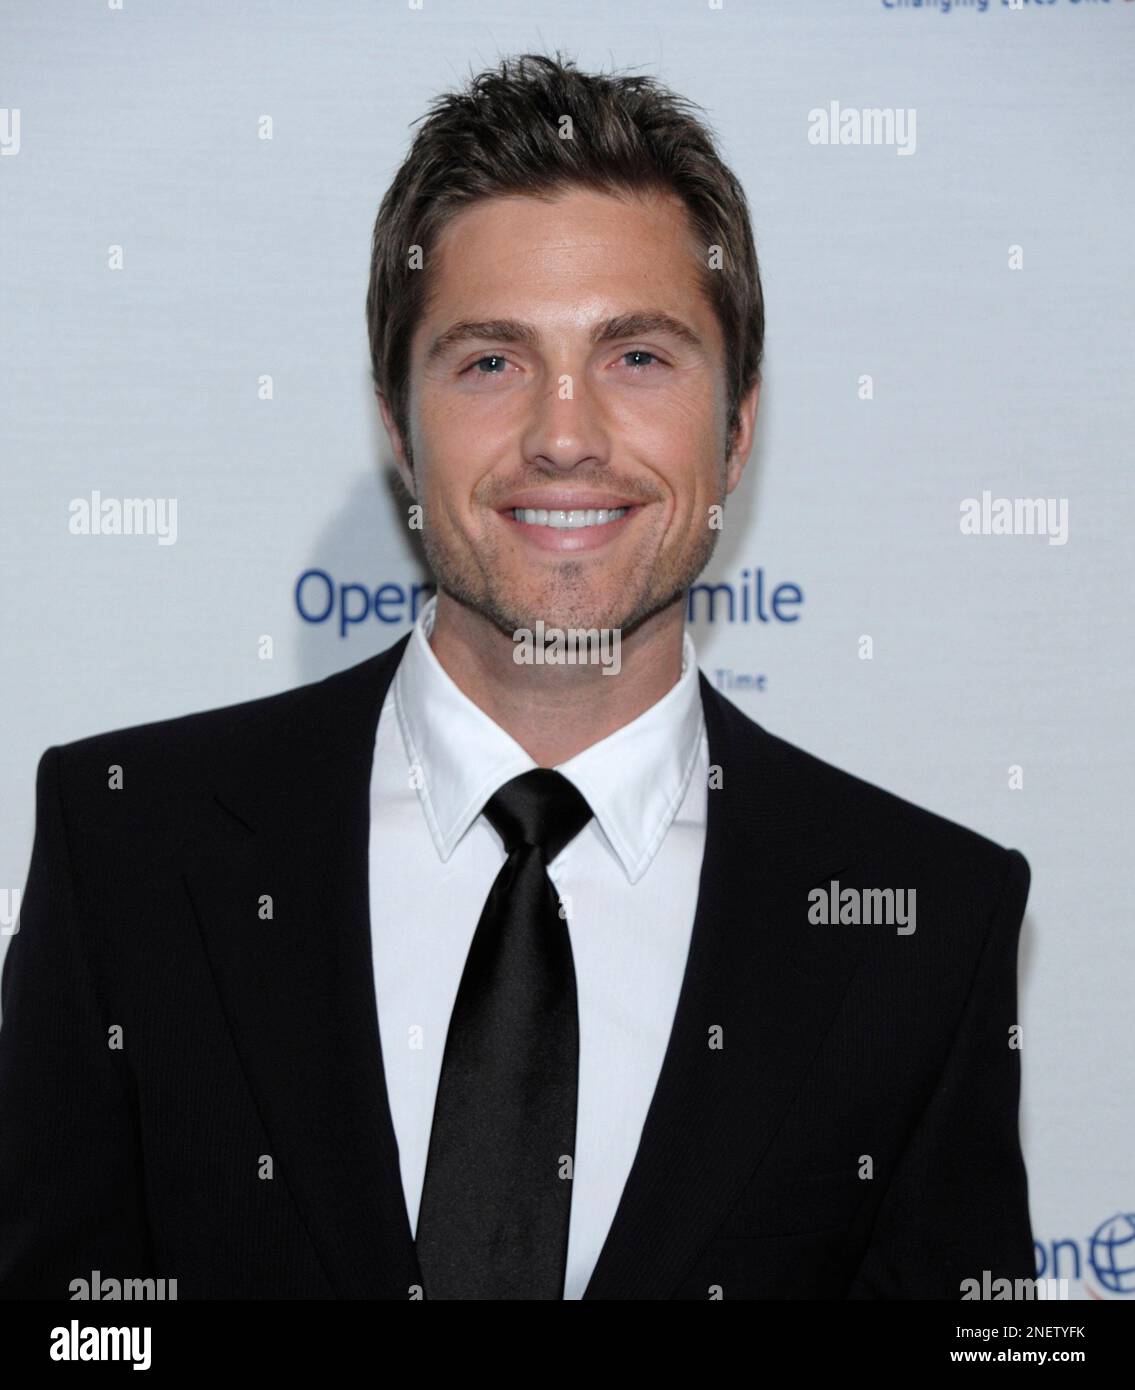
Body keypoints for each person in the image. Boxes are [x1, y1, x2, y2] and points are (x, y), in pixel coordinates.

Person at [0, 52, 1033, 1301]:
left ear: (739, 423)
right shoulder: (131, 845)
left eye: (637, 357)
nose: (563, 432)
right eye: (490, 361)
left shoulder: (921, 916)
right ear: (397, 419)